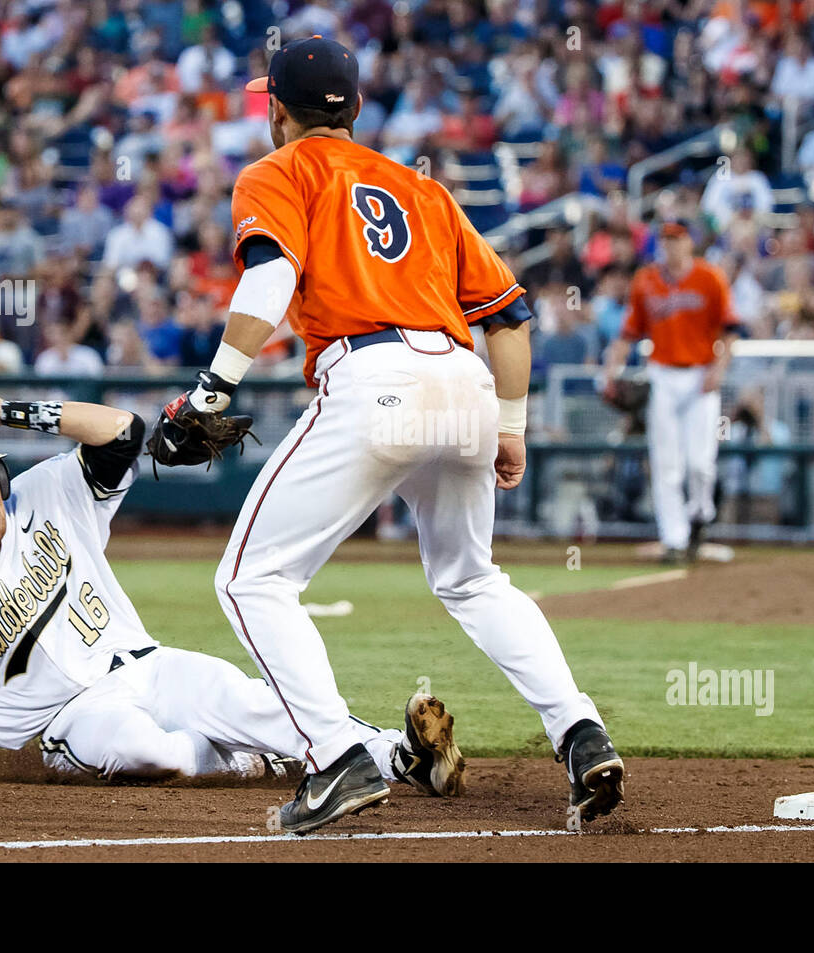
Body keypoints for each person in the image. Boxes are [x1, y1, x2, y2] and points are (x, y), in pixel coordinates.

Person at [147, 36, 622, 834]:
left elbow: (271, 278)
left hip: (371, 377)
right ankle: (580, 732)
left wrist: (210, 389)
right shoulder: (421, 189)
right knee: (473, 579)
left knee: (251, 579)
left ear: (276, 111)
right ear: (356, 107)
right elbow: (508, 316)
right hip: (463, 376)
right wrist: (511, 427)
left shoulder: (278, 170)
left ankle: (337, 757)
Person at [0, 393, 459, 796]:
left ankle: (407, 759)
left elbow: (122, 429)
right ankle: (244, 764)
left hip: (150, 665)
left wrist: (10, 412)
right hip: (68, 721)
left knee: (265, 705)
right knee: (153, 750)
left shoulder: (46, 492)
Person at [602, 220, 739, 563]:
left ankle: (700, 516)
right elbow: (629, 332)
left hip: (700, 376)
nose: (671, 246)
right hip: (662, 374)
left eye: (676, 240)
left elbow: (731, 329)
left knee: (700, 464)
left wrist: (719, 368)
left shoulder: (710, 277)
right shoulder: (646, 280)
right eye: (666, 241)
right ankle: (674, 539)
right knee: (667, 465)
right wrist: (610, 371)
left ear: (688, 243)